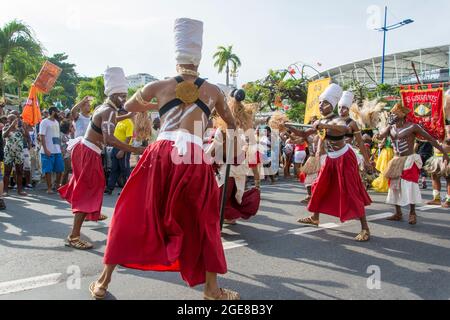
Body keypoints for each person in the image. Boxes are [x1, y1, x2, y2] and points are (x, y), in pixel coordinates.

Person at [90, 18, 240, 301]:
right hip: (194, 155)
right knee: (205, 221)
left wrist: (158, 103)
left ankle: (102, 282)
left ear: (177, 58)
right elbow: (230, 123)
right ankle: (211, 289)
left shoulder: (158, 85)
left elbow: (130, 107)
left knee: (132, 211)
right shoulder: (214, 91)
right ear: (198, 58)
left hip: (160, 152)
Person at [59, 67, 145, 251]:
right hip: (88, 152)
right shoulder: (109, 111)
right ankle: (74, 236)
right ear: (113, 95)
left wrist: (127, 115)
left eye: (124, 95)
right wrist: (135, 149)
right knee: (87, 190)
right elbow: (109, 139)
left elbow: (106, 121)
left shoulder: (105, 108)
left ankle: (92, 211)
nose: (124, 98)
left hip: (86, 150)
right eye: (121, 95)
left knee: (96, 184)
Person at [287, 84, 373, 242]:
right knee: (318, 186)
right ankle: (315, 217)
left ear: (332, 106)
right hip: (331, 159)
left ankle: (365, 228)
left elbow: (342, 129)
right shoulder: (320, 120)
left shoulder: (338, 120)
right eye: (320, 103)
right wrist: (288, 127)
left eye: (324, 103)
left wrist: (367, 162)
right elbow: (304, 133)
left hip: (345, 158)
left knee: (351, 191)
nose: (320, 106)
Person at [375, 103, 449, 225]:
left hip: (409, 160)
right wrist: (388, 124)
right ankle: (398, 213)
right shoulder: (390, 127)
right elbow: (379, 136)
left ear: (402, 115)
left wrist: (444, 153)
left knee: (410, 186)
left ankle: (412, 213)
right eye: (392, 113)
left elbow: (430, 139)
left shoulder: (413, 127)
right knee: (394, 186)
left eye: (394, 113)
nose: (392, 115)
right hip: (396, 160)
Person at [211, 89, 261, 226]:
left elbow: (213, 150)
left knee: (223, 198)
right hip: (238, 169)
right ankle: (228, 217)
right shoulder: (246, 130)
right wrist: (256, 179)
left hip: (230, 168)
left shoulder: (223, 129)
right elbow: (252, 155)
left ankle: (224, 218)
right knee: (230, 197)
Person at [105, 108, 135, 194]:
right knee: (114, 169)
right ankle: (110, 188)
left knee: (125, 169)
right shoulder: (119, 122)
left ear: (123, 112)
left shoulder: (129, 122)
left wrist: (122, 150)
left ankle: (129, 189)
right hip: (115, 148)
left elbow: (129, 137)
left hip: (123, 148)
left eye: (118, 112)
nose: (117, 114)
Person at [2, 114, 30, 197]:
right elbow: (4, 135)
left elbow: (27, 136)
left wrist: (24, 128)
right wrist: (11, 125)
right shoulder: (6, 127)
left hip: (19, 152)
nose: (12, 121)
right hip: (8, 152)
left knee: (20, 171)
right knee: (7, 172)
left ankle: (20, 190)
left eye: (14, 119)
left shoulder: (20, 128)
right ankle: (5, 190)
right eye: (10, 119)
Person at [423, 125, 450, 208]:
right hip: (436, 157)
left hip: (447, 156)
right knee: (434, 177)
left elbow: (448, 140)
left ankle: (449, 200)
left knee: (448, 178)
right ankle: (436, 199)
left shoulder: (448, 127)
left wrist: (446, 133)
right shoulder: (435, 127)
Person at [39, 107, 64, 194]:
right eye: (57, 112)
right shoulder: (44, 122)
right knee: (48, 170)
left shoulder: (57, 122)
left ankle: (57, 186)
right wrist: (45, 149)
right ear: (53, 112)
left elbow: (57, 136)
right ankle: (49, 188)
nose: (59, 113)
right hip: (47, 150)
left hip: (57, 150)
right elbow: (41, 136)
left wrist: (60, 147)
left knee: (60, 169)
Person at [60, 120, 72, 186]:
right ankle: (62, 185)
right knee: (66, 170)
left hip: (68, 154)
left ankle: (65, 184)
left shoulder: (68, 135)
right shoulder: (62, 135)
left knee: (68, 170)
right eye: (70, 126)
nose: (71, 127)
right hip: (64, 154)